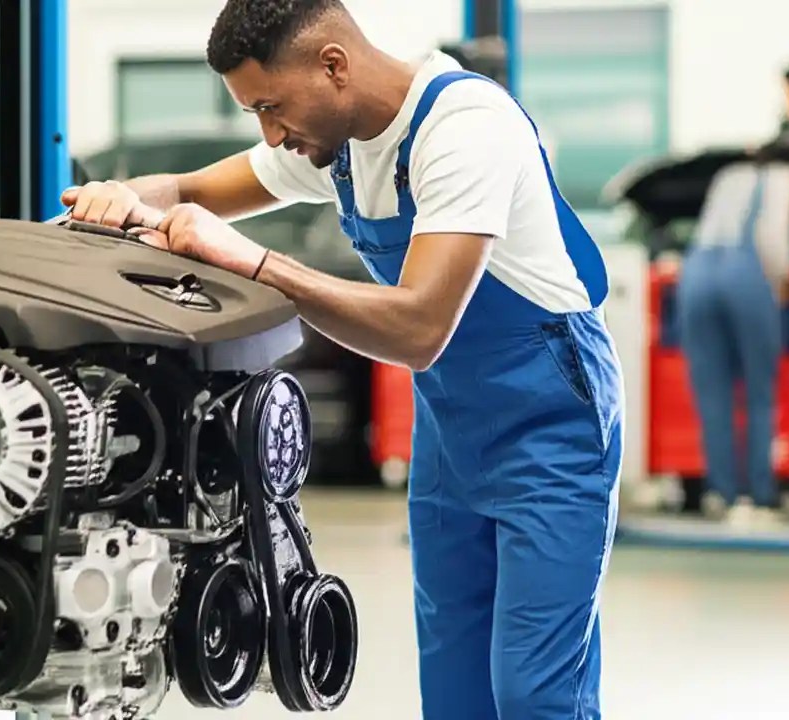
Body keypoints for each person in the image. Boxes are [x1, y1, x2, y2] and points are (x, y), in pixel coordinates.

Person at [60, 2, 624, 718]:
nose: (270, 133)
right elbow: (189, 189)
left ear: (333, 65)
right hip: (452, 434)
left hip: (552, 426)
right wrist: (122, 199)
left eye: (271, 107)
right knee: (454, 685)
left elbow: (421, 327)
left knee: (534, 691)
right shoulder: (344, 144)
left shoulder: (465, 128)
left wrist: (257, 263)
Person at [676, 133, 789, 528]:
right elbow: (772, 238)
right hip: (745, 274)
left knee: (712, 393)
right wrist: (779, 284)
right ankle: (759, 498)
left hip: (696, 273)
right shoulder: (783, 176)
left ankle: (721, 493)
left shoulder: (730, 173)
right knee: (758, 392)